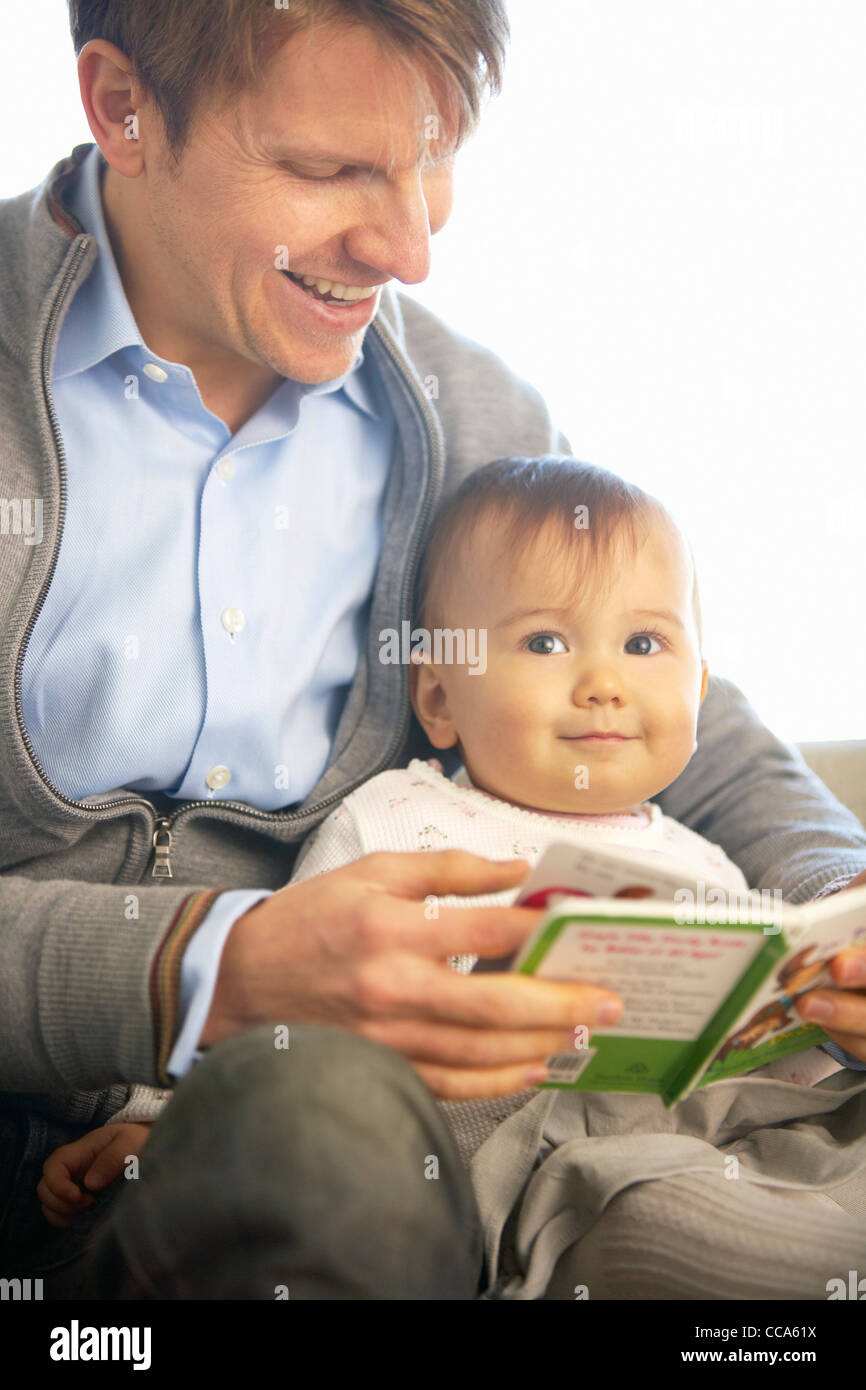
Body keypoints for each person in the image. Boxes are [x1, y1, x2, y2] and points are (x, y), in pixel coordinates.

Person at [2, 1, 866, 1300]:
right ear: (121, 106)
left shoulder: (463, 418)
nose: (407, 247)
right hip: (141, 1135)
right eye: (327, 169)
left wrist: (843, 908)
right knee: (316, 1136)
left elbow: (694, 727)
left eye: (431, 157)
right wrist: (199, 958)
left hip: (400, 1119)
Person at [36, 458, 866, 1300]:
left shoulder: (708, 864)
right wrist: (169, 1117)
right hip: (544, 1181)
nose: (605, 685)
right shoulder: (399, 821)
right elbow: (277, 1007)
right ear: (438, 697)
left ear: (697, 687)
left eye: (644, 643)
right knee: (668, 1233)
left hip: (734, 1143)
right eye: (545, 642)